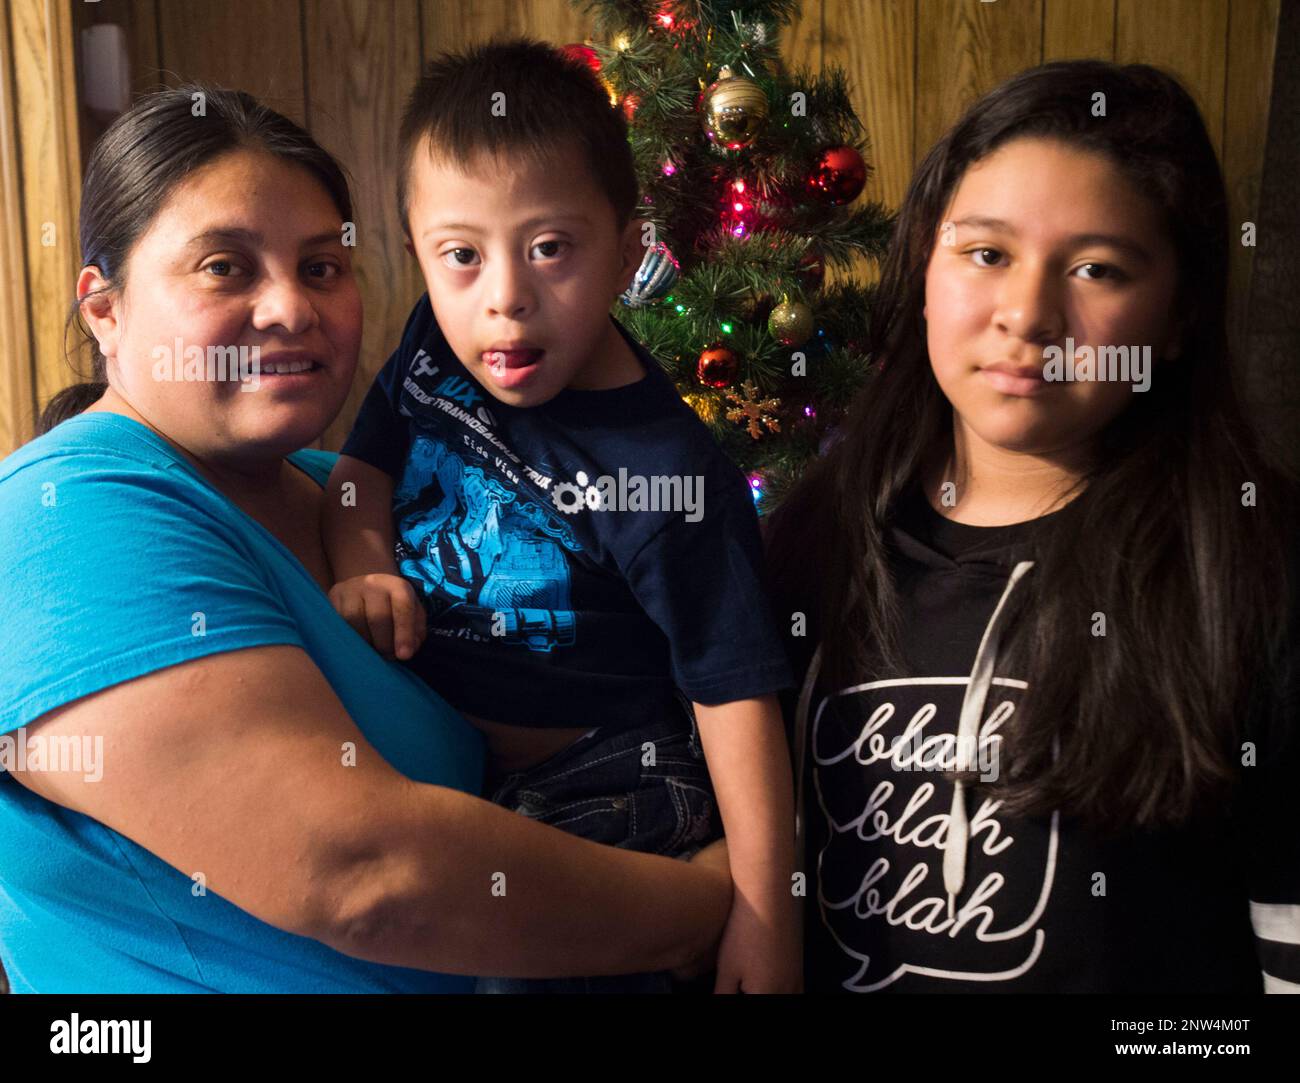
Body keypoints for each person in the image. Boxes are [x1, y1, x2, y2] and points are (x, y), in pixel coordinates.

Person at [0, 84, 732, 994]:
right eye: (226, 266)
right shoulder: (64, 512)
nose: (290, 310)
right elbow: (361, 873)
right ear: (103, 306)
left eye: (320, 267)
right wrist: (711, 906)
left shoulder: (351, 497)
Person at [765, 60, 1299, 993]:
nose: (1027, 315)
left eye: (1097, 269)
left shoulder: (1255, 567)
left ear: (1175, 318)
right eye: (986, 253)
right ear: (925, 270)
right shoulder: (815, 539)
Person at [320, 38, 801, 994]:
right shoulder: (433, 342)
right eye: (461, 255)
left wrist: (766, 913)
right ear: (418, 250)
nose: (505, 298)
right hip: (472, 770)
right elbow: (358, 466)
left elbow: (736, 699)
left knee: (508, 953)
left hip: (617, 773)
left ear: (627, 254)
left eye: (550, 249)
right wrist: (365, 562)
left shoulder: (667, 474)